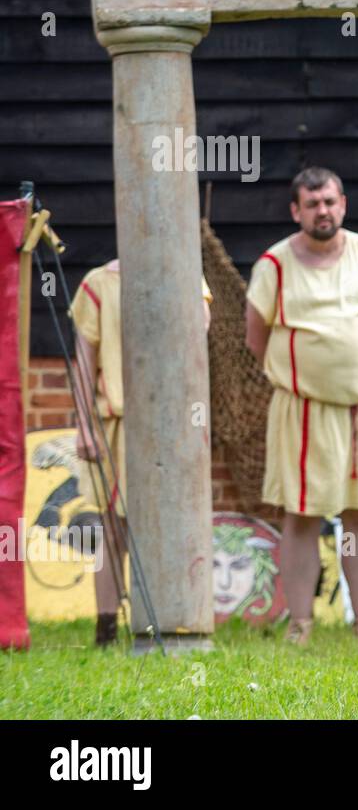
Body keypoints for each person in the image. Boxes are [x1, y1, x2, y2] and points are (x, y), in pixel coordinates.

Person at [245, 167, 358, 650]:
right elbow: (256, 338)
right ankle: (300, 624)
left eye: (330, 202)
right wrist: (310, 374)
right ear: (296, 211)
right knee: (302, 515)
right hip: (303, 409)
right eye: (312, 204)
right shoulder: (274, 265)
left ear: (343, 203)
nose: (323, 211)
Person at [70, 258, 211, 647]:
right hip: (117, 420)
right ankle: (106, 629)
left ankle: (170, 621)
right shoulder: (97, 283)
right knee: (111, 530)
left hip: (169, 422)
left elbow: (198, 332)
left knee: (167, 526)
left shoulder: (185, 272)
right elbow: (84, 363)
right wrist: (85, 425)